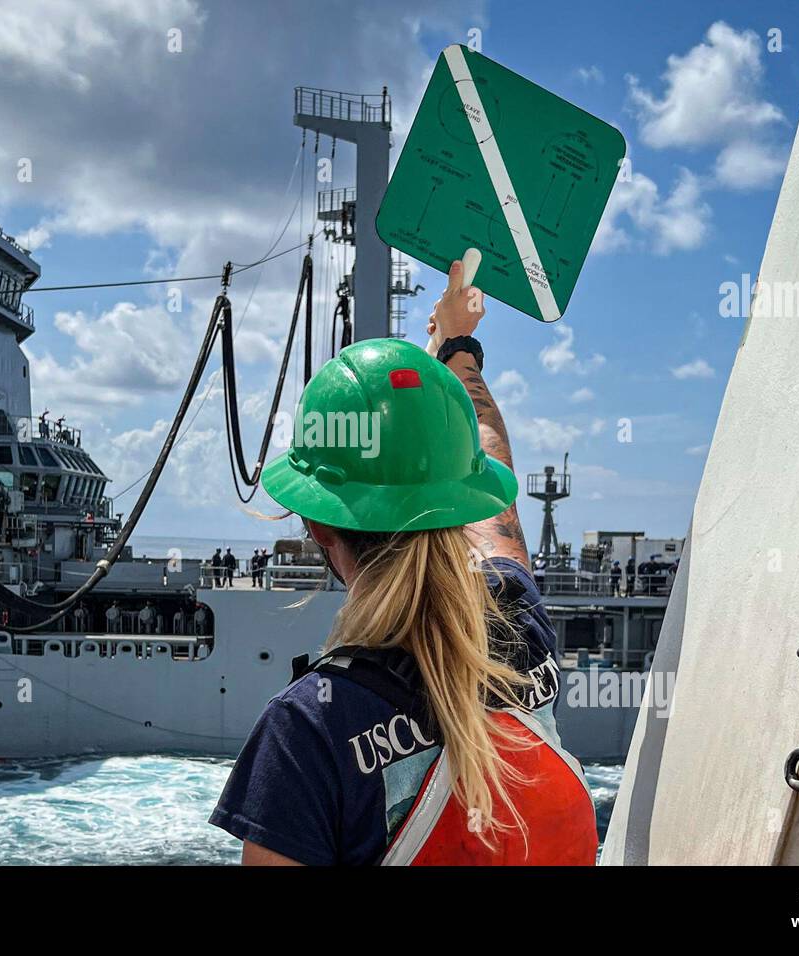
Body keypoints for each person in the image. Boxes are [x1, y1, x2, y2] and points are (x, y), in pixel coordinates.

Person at [210, 260, 596, 866]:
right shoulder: (518, 616)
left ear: (316, 524)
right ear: (466, 498)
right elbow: (492, 460)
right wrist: (458, 347)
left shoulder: (308, 730)